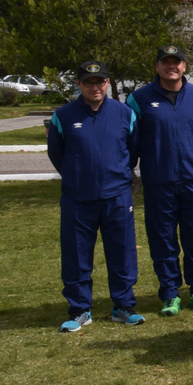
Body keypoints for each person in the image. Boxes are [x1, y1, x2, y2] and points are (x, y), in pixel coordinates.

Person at [49, 59, 142, 331]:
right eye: (88, 82)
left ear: (107, 83)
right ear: (78, 84)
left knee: (122, 252)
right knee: (76, 254)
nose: (95, 86)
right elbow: (57, 153)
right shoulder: (64, 116)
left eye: (100, 81)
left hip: (117, 196)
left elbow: (132, 150)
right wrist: (78, 176)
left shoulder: (125, 113)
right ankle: (80, 309)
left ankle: (123, 307)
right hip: (78, 199)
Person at [127, 45, 193, 317]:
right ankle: (170, 293)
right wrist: (131, 171)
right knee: (163, 239)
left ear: (184, 66)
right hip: (158, 181)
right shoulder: (139, 99)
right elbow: (131, 140)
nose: (171, 67)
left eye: (176, 62)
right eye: (166, 62)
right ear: (157, 66)